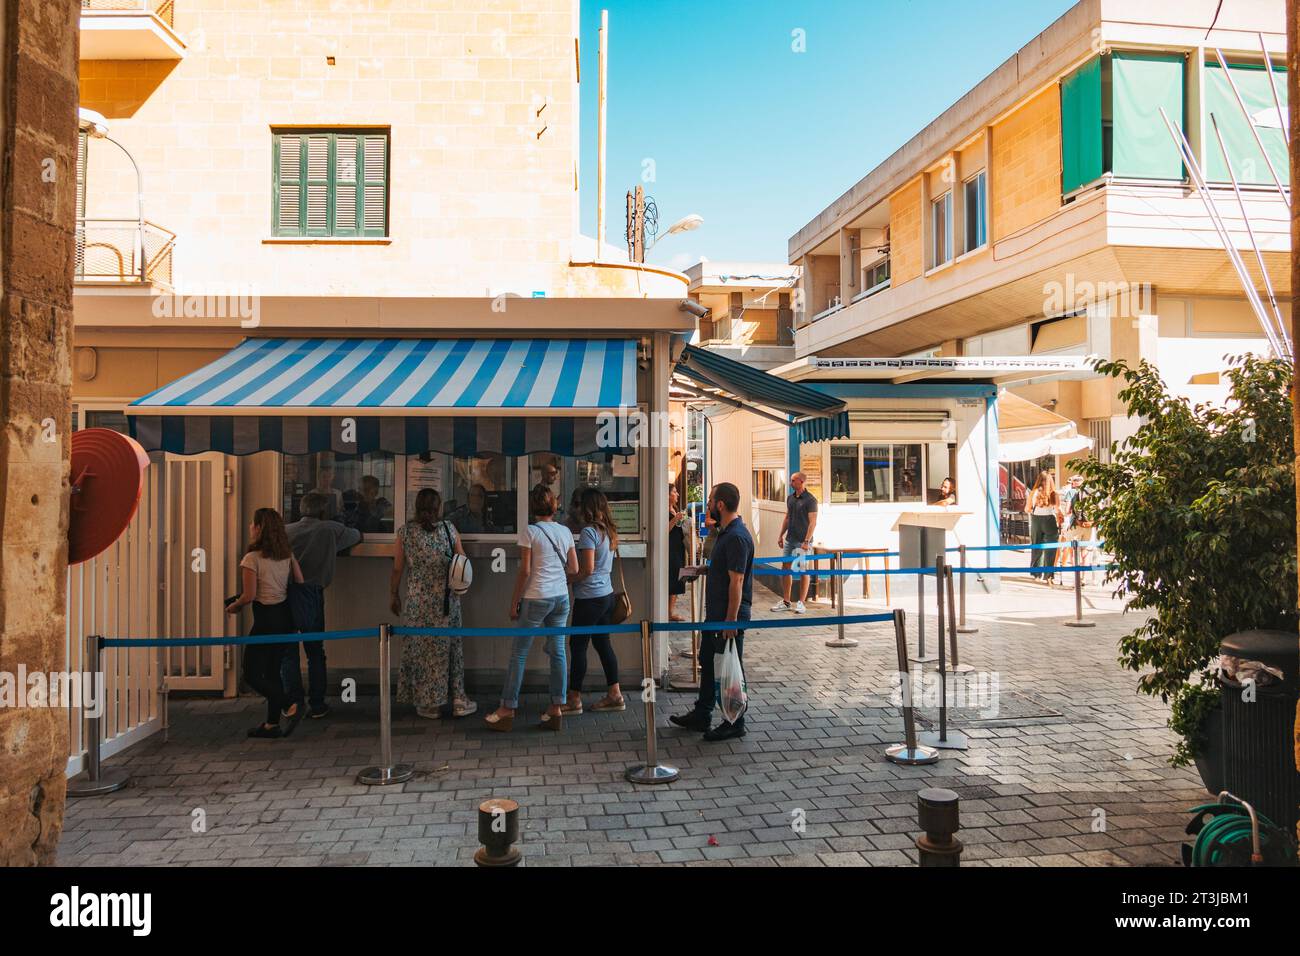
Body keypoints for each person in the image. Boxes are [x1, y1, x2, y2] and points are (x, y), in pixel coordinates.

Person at [486, 484, 577, 732]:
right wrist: (558, 581)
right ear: (554, 506)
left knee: (519, 653)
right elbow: (575, 569)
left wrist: (515, 600)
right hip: (561, 598)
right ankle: (556, 708)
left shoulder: (530, 532)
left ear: (532, 507)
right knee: (558, 651)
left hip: (536, 597)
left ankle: (507, 709)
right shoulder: (565, 532)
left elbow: (525, 571)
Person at [670, 481, 753, 742]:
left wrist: (731, 621)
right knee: (708, 660)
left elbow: (737, 581)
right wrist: (704, 570)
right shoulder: (726, 533)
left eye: (709, 502)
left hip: (727, 616)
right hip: (715, 614)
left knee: (729, 667)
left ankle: (734, 720)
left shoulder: (737, 536)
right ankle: (702, 713)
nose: (706, 506)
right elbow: (726, 571)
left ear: (720, 505)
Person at [391, 488, 476, 719]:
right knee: (452, 649)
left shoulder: (405, 533)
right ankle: (459, 699)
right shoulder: (449, 529)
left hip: (418, 603)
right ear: (438, 507)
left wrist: (393, 594)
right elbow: (462, 559)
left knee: (421, 652)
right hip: (447, 601)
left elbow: (398, 568)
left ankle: (430, 704)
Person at [225, 508, 304, 739]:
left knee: (250, 672)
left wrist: (234, 606)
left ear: (260, 528)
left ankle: (290, 703)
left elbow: (249, 596)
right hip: (284, 618)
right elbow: (299, 581)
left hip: (265, 619)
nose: (250, 527)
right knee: (272, 672)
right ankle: (271, 724)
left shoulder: (251, 559)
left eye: (253, 523)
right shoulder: (287, 554)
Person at [283, 492, 362, 719]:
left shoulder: (286, 531)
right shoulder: (330, 529)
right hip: (312, 594)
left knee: (288, 651)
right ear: (323, 511)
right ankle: (317, 704)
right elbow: (358, 536)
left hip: (285, 593)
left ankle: (293, 702)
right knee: (315, 651)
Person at [563, 488, 624, 715]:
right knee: (602, 644)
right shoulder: (608, 531)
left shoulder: (589, 532)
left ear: (589, 507)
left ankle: (574, 698)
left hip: (589, 598)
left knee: (578, 646)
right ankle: (615, 694)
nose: (578, 509)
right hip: (606, 596)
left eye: (581, 505)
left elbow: (586, 569)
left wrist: (568, 579)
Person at [771, 471, 817, 614]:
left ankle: (801, 603)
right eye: (790, 480)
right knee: (785, 568)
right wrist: (780, 535)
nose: (790, 483)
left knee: (803, 570)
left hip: (803, 541)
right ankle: (786, 601)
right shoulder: (790, 498)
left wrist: (806, 541)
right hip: (790, 539)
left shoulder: (810, 500)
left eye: (793, 480)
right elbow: (787, 518)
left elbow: (813, 523)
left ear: (801, 482)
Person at [1025, 472, 1059, 582]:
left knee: (1036, 546)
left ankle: (1036, 574)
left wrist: (1034, 510)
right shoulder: (1054, 493)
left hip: (1036, 520)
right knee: (1051, 548)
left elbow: (1027, 509)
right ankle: (1048, 575)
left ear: (1038, 480)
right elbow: (1057, 510)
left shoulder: (1034, 492)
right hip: (1050, 520)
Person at [668, 484, 690, 622]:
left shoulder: (674, 509)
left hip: (678, 548)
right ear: (667, 495)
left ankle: (670, 611)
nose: (677, 495)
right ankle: (667, 612)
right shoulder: (663, 510)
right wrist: (675, 519)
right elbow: (662, 531)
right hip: (669, 550)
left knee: (677, 579)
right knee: (671, 579)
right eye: (674, 492)